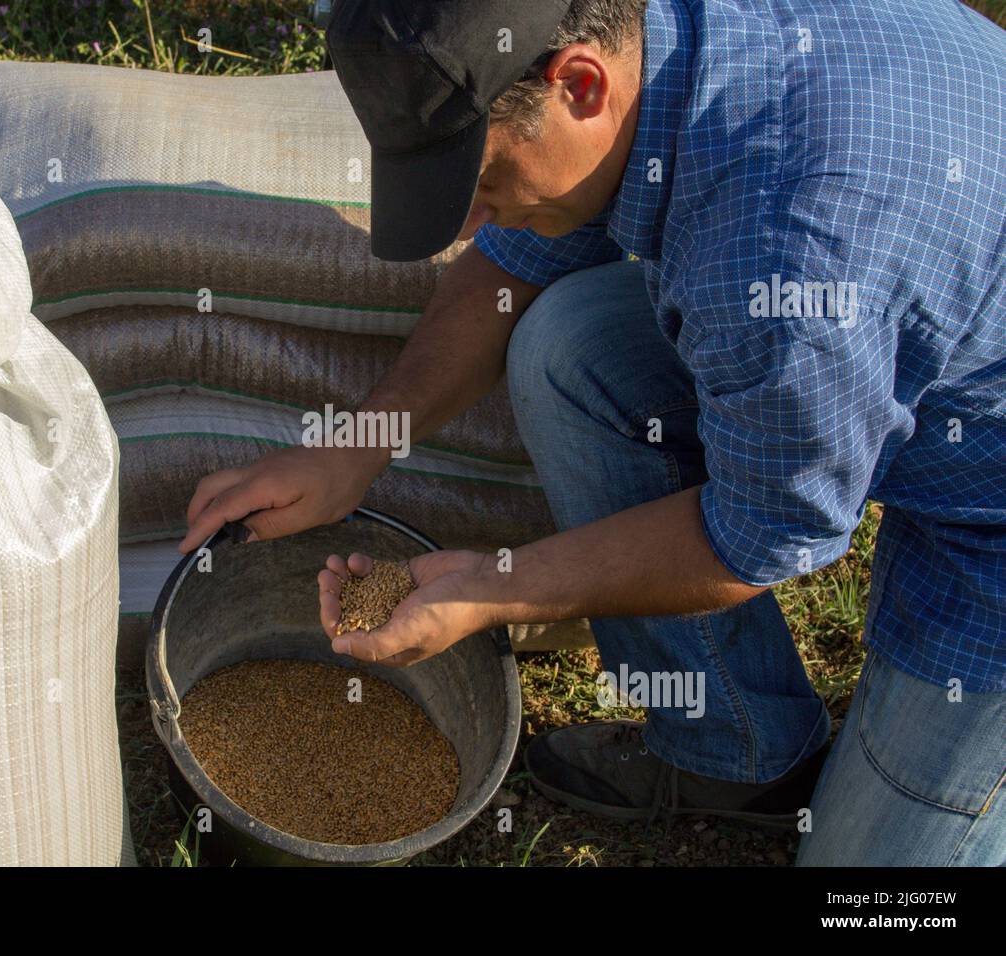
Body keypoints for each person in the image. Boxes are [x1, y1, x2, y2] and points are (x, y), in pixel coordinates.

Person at [179, 0, 1006, 865]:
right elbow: (515, 267)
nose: (466, 225)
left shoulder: (780, 257)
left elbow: (758, 538)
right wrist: (359, 444)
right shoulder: (660, 51)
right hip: (923, 334)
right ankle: (734, 754)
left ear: (580, 85)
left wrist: (491, 587)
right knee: (570, 346)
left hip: (986, 519)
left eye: (483, 184)